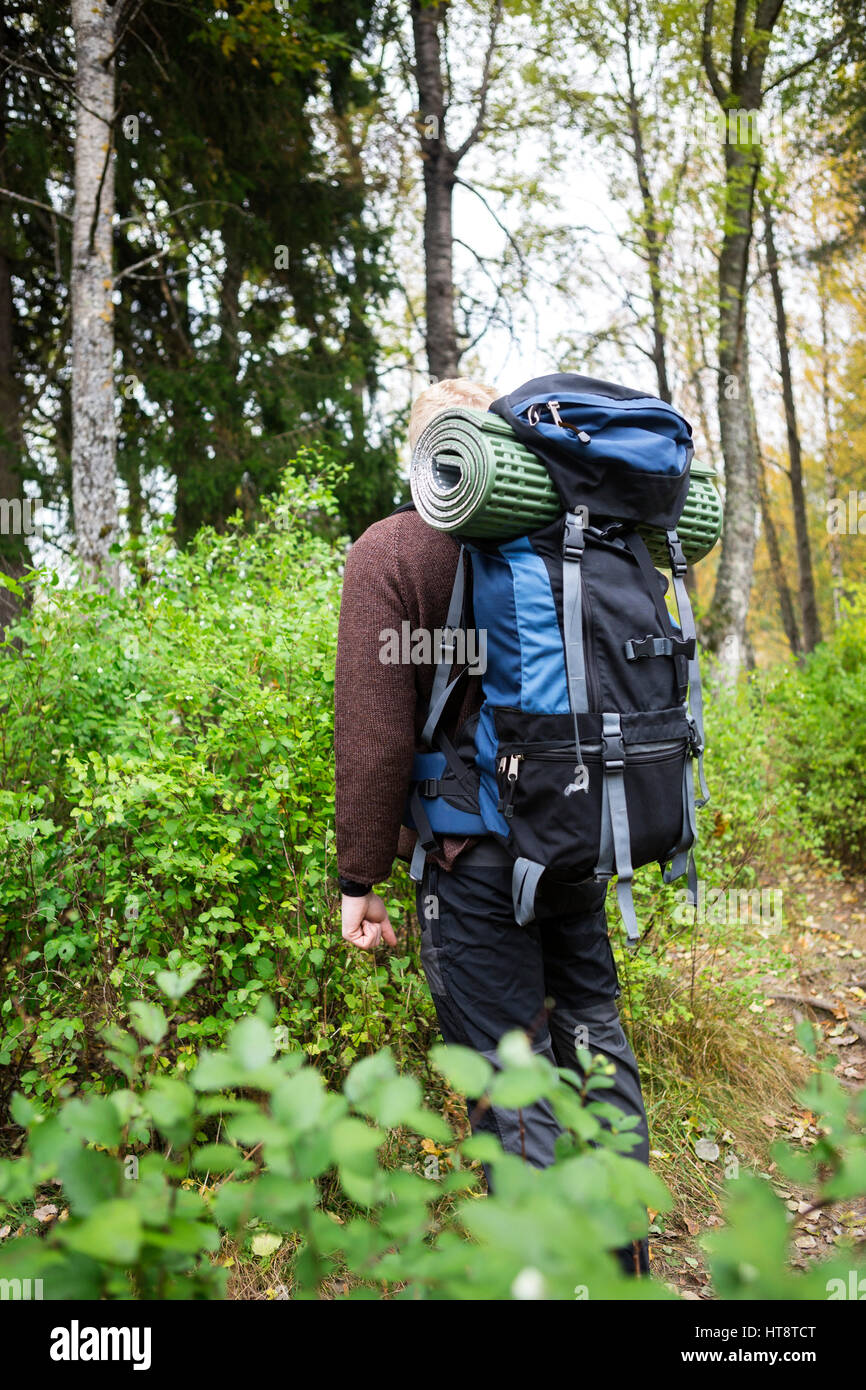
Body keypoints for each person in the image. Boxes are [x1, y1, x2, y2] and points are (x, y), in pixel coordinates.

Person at [334, 377, 649, 1269]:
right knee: (596, 1056)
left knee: (514, 1081)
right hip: (575, 848)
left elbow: (374, 735)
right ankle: (623, 1278)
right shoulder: (570, 544)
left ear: (420, 454)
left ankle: (557, 1283)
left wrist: (362, 877)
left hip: (475, 870)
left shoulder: (395, 549)